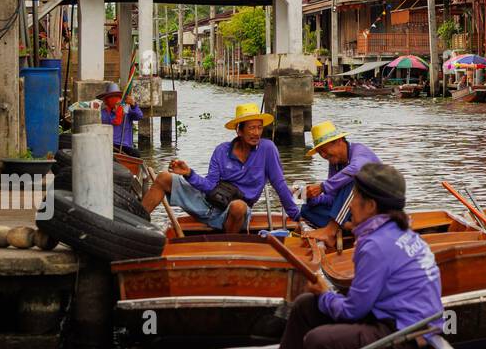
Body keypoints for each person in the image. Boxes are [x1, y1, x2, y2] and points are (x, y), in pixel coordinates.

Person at [277, 163, 443, 349]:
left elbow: (352, 311)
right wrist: (324, 298)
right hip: (396, 320)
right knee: (306, 306)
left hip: (405, 333)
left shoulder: (376, 245)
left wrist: (325, 294)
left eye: (355, 197)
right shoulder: (402, 233)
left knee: (317, 341)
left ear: (371, 206)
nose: (350, 205)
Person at [141, 101, 300, 233]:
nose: (257, 133)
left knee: (238, 206)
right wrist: (189, 173)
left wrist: (296, 215)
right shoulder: (222, 151)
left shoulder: (267, 149)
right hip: (209, 204)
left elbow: (279, 184)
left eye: (259, 127)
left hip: (236, 213)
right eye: (252, 128)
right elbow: (210, 185)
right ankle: (136, 223)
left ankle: (228, 245)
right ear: (239, 130)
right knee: (164, 178)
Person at [301, 119, 380, 244]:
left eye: (324, 149)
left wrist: (322, 187)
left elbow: (357, 168)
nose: (323, 155)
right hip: (351, 213)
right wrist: (311, 197)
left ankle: (331, 231)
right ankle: (348, 227)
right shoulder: (335, 163)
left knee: (356, 179)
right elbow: (333, 198)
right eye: (320, 152)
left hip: (374, 209)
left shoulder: (359, 152)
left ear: (338, 141)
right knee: (306, 209)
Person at [98, 81, 143, 153]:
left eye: (116, 98)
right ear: (106, 100)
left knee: (136, 154)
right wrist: (116, 112)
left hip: (125, 146)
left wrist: (133, 104)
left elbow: (139, 116)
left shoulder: (127, 111)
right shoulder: (103, 113)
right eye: (111, 98)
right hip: (109, 146)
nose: (114, 100)